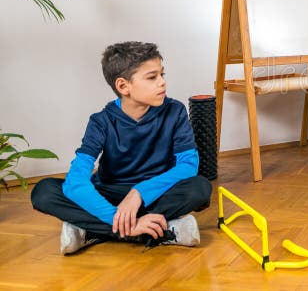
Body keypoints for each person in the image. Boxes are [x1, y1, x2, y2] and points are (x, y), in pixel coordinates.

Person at [31, 41, 212, 254]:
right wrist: (118, 217)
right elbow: (75, 181)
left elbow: (188, 165)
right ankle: (158, 230)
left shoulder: (175, 111)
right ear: (123, 86)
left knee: (199, 188)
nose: (162, 83)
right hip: (110, 194)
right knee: (43, 192)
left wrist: (139, 193)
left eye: (163, 74)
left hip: (154, 194)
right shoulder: (101, 122)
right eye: (152, 77)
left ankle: (94, 231)